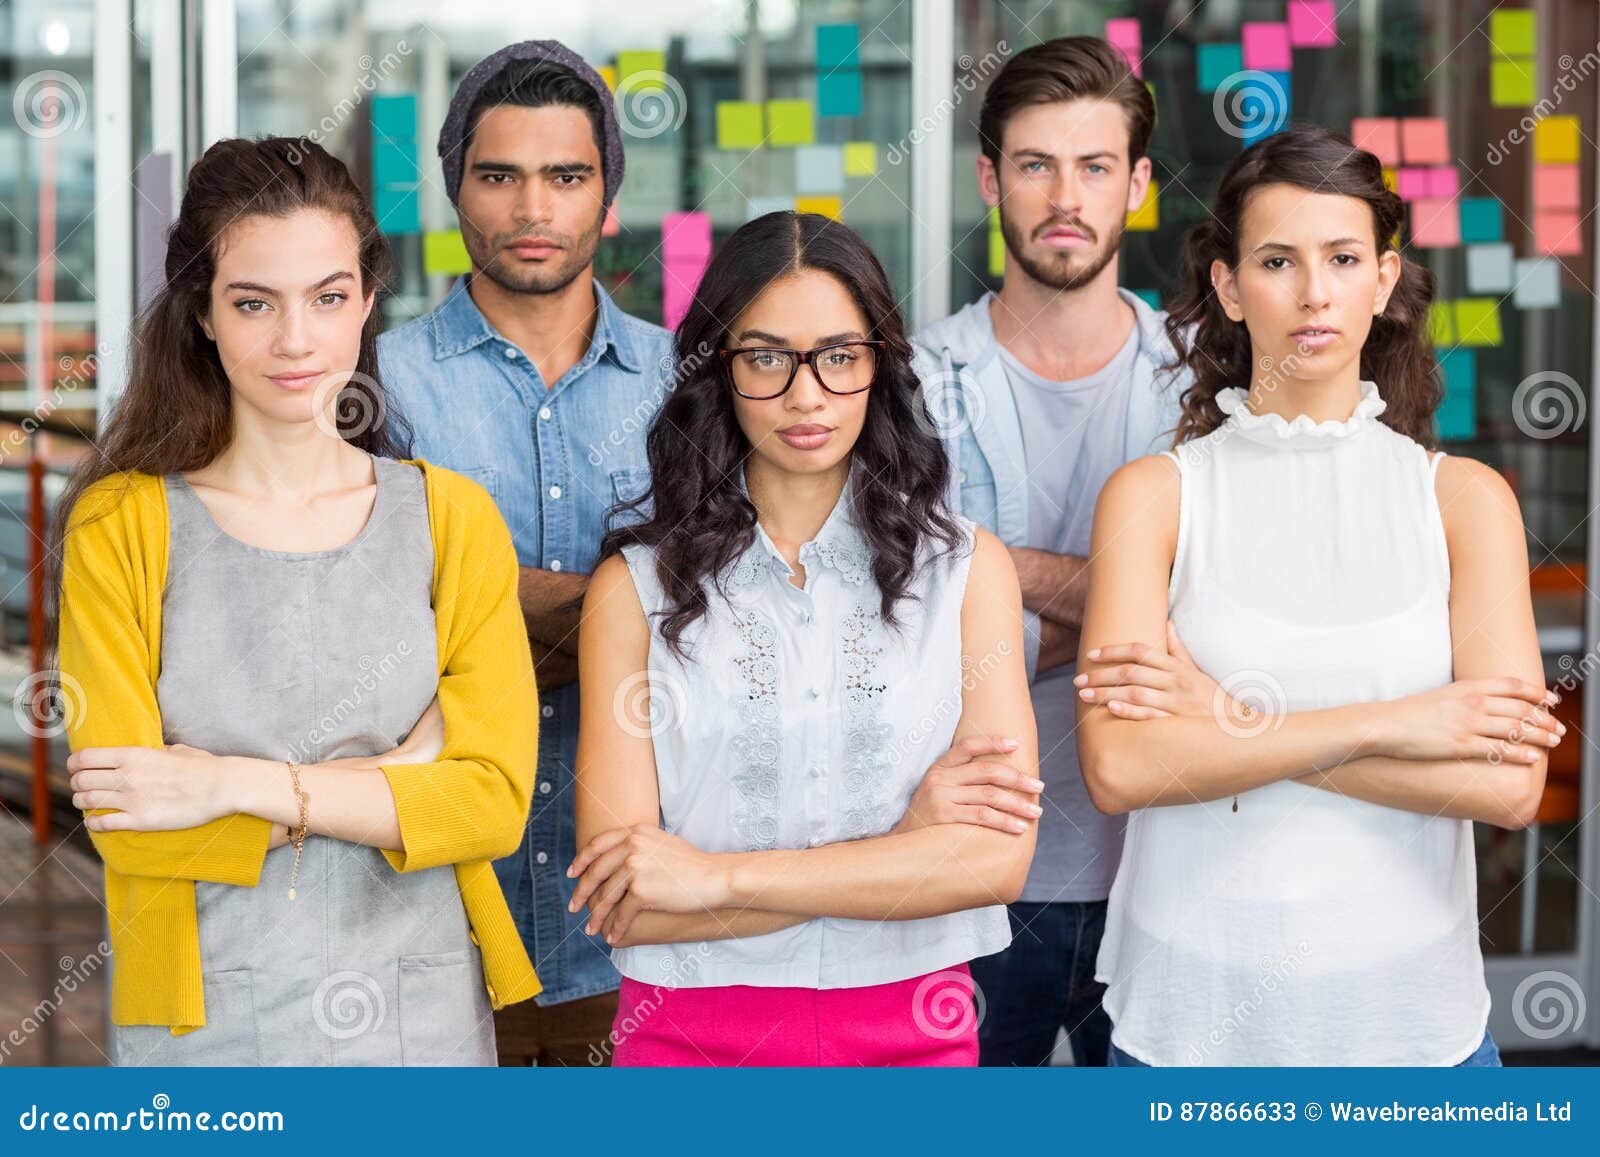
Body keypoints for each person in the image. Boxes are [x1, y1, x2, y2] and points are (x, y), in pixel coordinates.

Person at [1075, 125, 1560, 1066]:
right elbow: (1122, 770)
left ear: (1383, 281)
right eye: (1276, 260)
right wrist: (1397, 723)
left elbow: (1509, 786)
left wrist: (1228, 716)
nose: (1313, 293)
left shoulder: (1462, 502)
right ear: (1227, 286)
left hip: (1417, 1032)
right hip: (1190, 1026)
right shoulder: (1155, 498)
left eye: (1342, 258)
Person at [54, 137, 540, 1065]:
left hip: (422, 1024)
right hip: (202, 1037)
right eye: (252, 302)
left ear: (364, 300)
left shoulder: (454, 521)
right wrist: (400, 778)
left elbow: (489, 807)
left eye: (326, 297)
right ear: (200, 312)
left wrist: (227, 783)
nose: (295, 340)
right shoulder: (121, 525)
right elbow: (135, 832)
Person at [565, 211, 1041, 1066]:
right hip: (686, 1041)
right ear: (720, 370)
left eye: (839, 356)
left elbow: (993, 865)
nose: (806, 394)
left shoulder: (969, 573)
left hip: (914, 1033)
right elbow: (627, 900)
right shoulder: (633, 592)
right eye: (766, 357)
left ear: (878, 365)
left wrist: (716, 877)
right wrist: (904, 855)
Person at [378, 41, 674, 1066]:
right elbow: (379, 633)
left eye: (565, 176)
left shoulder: (689, 387)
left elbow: (723, 622)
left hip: (639, 939)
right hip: (435, 931)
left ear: (608, 195)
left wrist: (480, 612)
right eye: (499, 175)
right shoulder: (375, 386)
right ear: (455, 188)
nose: (532, 207)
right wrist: (625, 610)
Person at [912, 35, 1186, 1067]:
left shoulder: (1206, 385)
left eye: (1095, 166)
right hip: (977, 876)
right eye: (1034, 164)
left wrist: (986, 565)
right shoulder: (908, 388)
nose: (1064, 197)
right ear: (989, 179)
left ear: (1138, 183)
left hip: (1166, 867)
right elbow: (908, 642)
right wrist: (1137, 612)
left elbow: (1214, 617)